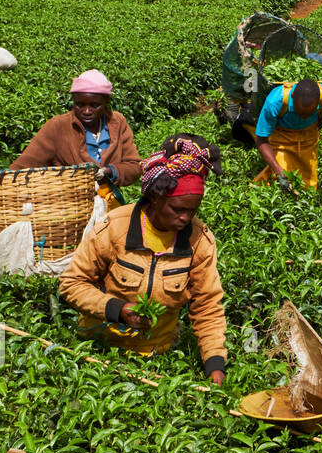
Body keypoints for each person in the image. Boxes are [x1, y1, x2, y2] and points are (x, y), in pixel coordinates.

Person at [59, 136, 229, 381]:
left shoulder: (199, 241)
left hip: (157, 357)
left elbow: (207, 307)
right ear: (156, 198)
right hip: (96, 352)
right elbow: (72, 283)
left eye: (192, 210)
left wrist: (215, 366)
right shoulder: (115, 227)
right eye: (178, 209)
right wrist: (119, 310)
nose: (185, 218)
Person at [11, 69, 141, 210]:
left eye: (94, 105)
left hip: (110, 208)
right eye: (80, 105)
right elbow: (21, 168)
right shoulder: (58, 126)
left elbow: (134, 166)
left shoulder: (117, 122)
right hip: (69, 211)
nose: (86, 111)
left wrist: (110, 171)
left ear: (106, 103)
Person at [250, 78, 322, 190]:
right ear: (292, 96)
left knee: (309, 187)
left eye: (309, 113)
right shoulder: (275, 101)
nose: (304, 117)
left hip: (309, 138)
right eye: (300, 112)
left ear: (318, 101)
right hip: (280, 138)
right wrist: (278, 171)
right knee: (277, 181)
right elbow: (261, 139)